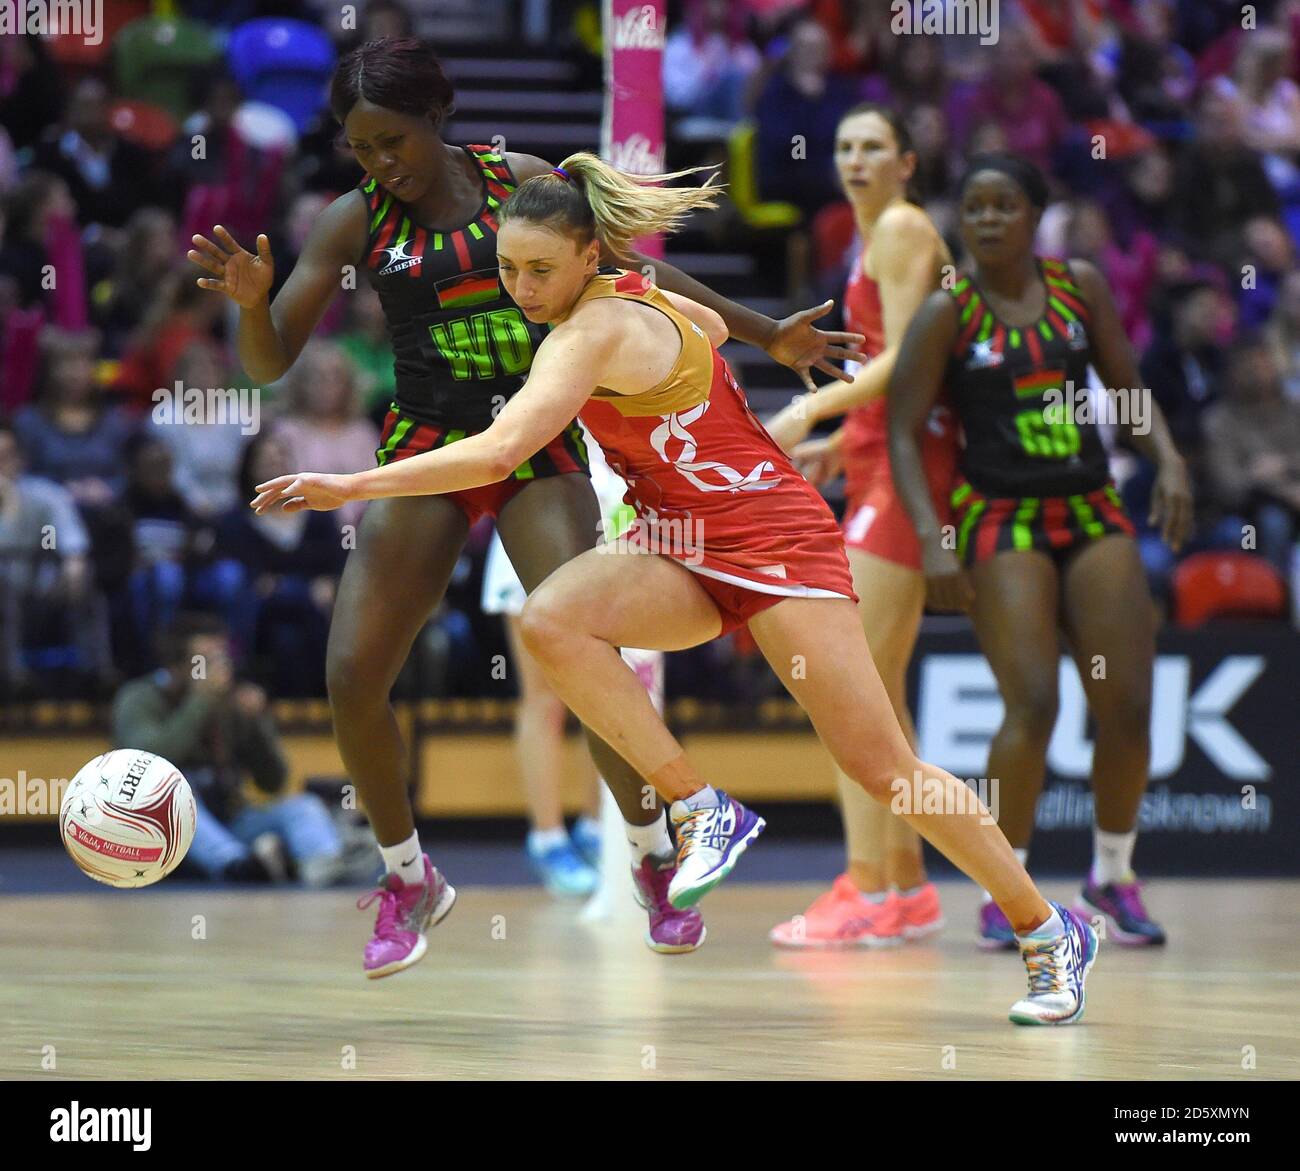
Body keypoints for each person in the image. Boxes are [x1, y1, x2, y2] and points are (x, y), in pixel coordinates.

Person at [254, 151, 1103, 1026]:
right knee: (553, 619)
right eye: (506, 268)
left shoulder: (590, 333)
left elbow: (499, 454)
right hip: (685, 543)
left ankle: (1049, 928)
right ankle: (700, 807)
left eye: (540, 270)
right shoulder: (636, 297)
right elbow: (714, 330)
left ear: (591, 259)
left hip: (773, 541)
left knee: (884, 768)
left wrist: (350, 484)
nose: (520, 287)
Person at [189, 37, 863, 978]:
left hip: (539, 442)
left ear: (437, 116)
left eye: (394, 141)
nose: (382, 163)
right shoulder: (355, 219)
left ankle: (648, 854)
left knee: (576, 646)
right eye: (362, 147)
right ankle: (407, 876)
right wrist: (255, 310)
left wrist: (767, 336)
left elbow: (636, 274)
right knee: (352, 674)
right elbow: (268, 365)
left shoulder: (525, 182)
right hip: (431, 440)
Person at [886, 154, 1193, 949]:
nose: (986, 219)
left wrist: (1169, 457)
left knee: (1125, 704)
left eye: (1003, 205)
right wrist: (933, 541)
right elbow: (901, 431)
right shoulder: (947, 310)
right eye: (975, 207)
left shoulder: (1079, 287)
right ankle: (1007, 887)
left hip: (1089, 506)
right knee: (1034, 703)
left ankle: (1114, 872)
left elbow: (1126, 395)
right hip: (998, 515)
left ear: (1033, 216)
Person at [763, 105, 955, 949]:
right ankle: (904, 884)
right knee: (876, 687)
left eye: (873, 146)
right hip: (884, 457)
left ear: (908, 162)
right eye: (843, 145)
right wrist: (849, 438)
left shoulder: (905, 228)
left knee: (849, 687)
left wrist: (811, 408)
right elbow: (900, 374)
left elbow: (908, 354)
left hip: (914, 472)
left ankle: (869, 885)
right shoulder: (874, 234)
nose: (854, 158)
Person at [112, 613, 353, 886]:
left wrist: (257, 723)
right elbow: (151, 762)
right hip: (158, 833)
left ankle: (324, 862)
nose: (217, 671)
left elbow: (274, 782)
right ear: (175, 666)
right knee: (174, 792)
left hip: (228, 820)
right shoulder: (139, 699)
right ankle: (238, 864)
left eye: (222, 660)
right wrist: (200, 703)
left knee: (303, 807)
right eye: (204, 662)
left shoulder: (230, 703)